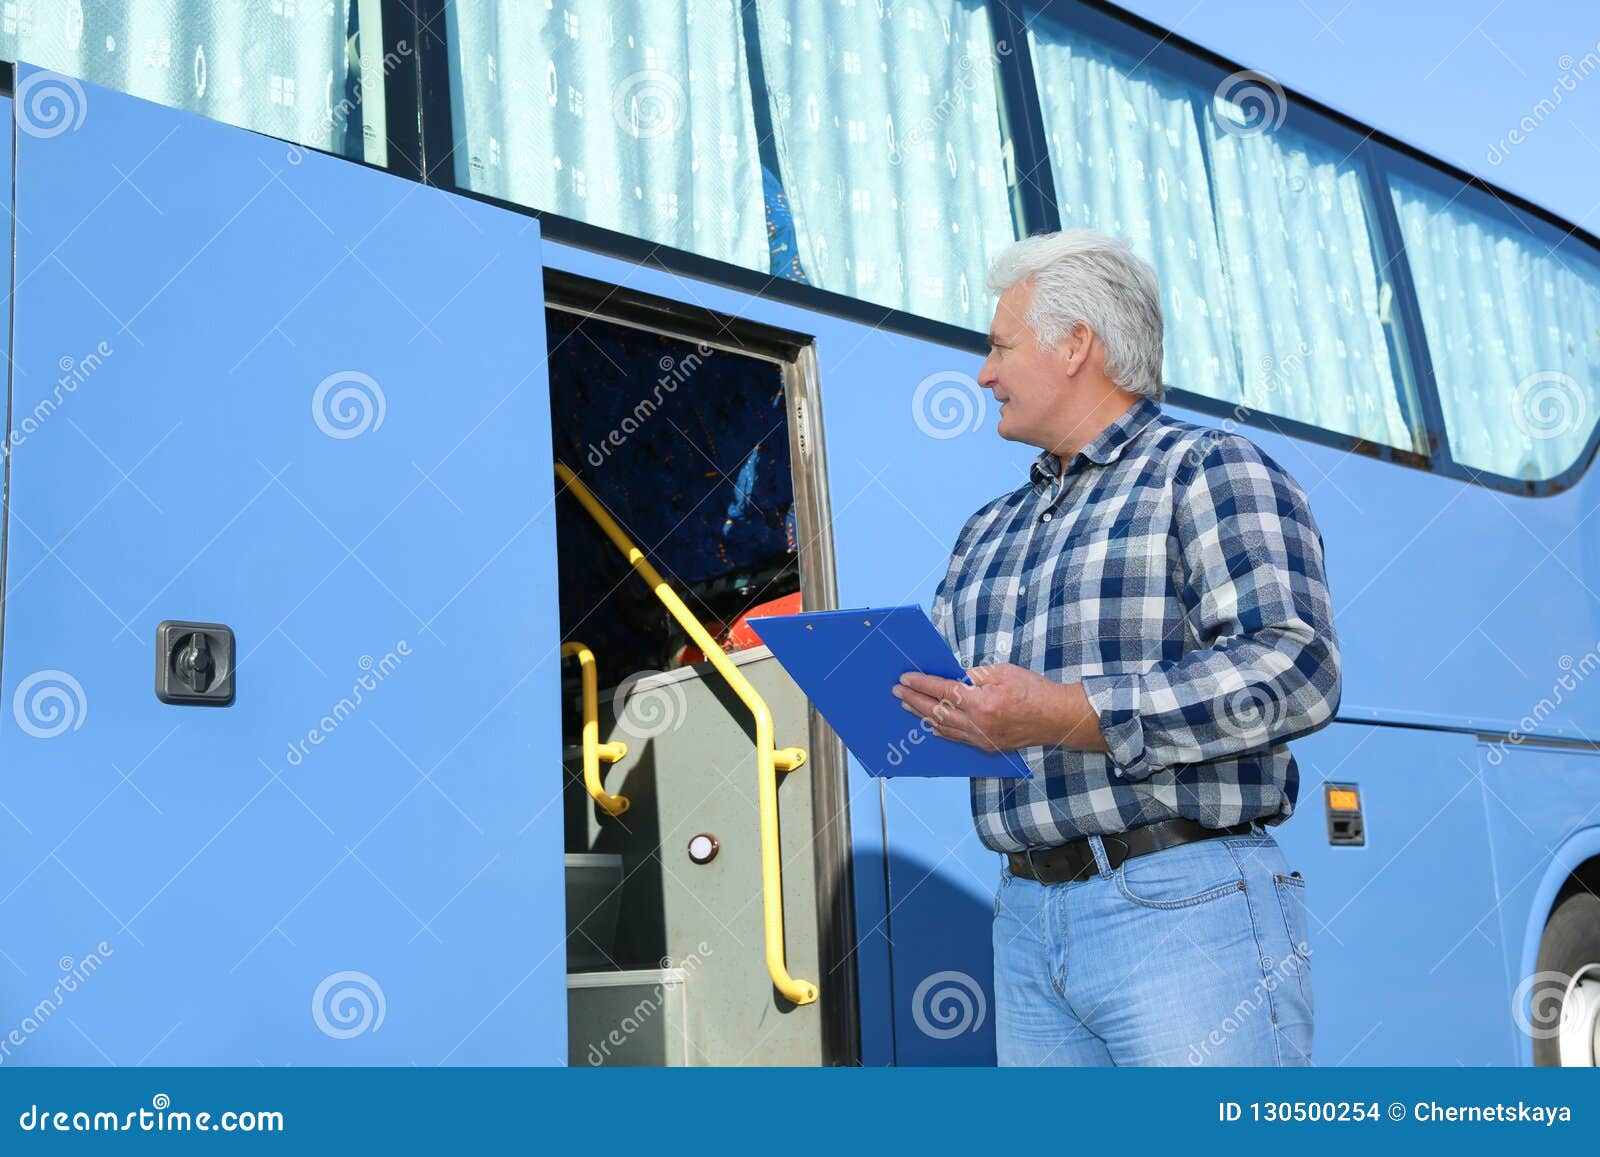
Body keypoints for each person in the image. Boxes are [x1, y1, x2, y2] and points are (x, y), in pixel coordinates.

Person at [893, 229, 1341, 1066]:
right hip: (1025, 919)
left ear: (1075, 345)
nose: (983, 374)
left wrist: (1067, 713)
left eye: (999, 347)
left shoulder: (1206, 468)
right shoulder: (986, 530)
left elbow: (1296, 667)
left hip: (1185, 906)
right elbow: (963, 698)